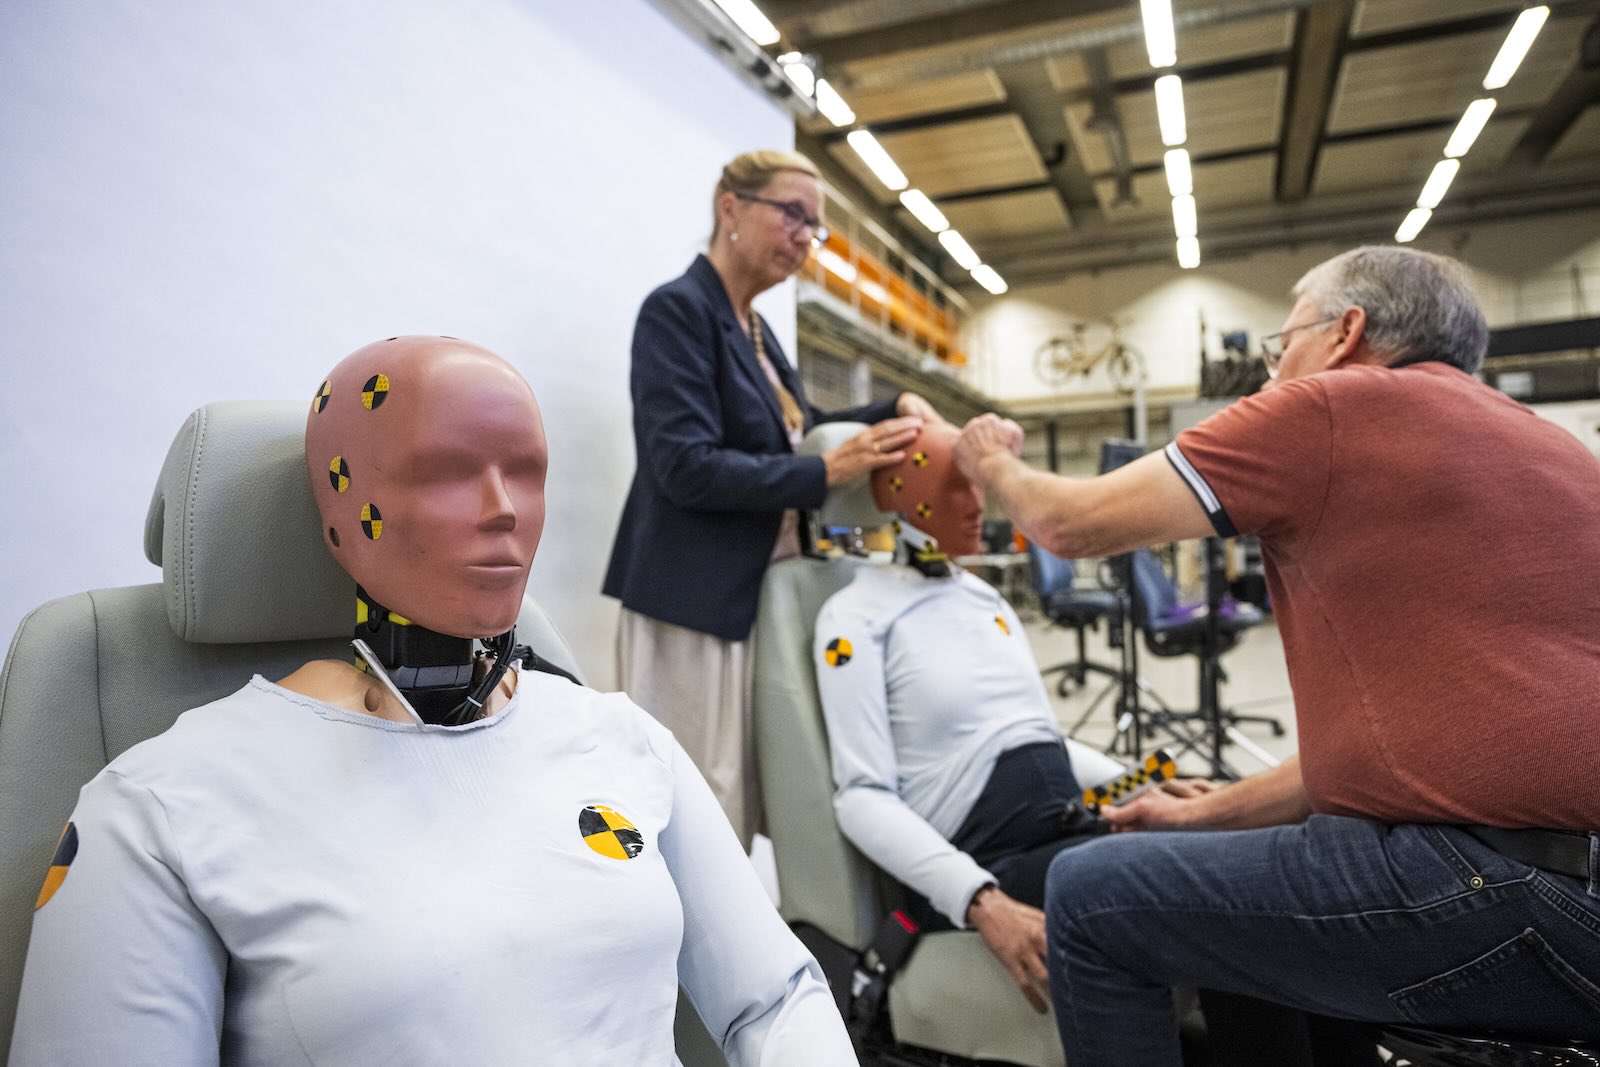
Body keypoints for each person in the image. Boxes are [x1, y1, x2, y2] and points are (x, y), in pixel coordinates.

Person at [11, 337, 857, 1066]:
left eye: (525, 473)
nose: (503, 511)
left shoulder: (620, 739)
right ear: (340, 508)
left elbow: (777, 996)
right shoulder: (164, 805)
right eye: (446, 473)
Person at [953, 246, 1600, 1065]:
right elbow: (1394, 762)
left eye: (1280, 345)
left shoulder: (1332, 404)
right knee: (1236, 908)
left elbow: (1070, 525)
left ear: (1344, 332)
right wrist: (1201, 814)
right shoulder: (1554, 448)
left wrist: (989, 459)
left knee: (1090, 896)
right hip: (1566, 892)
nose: (1273, 371)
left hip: (1504, 897)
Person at [602, 148, 938, 849]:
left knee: (743, 797)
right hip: (693, 603)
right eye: (793, 214)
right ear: (730, 207)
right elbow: (685, 467)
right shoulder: (678, 311)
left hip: (751, 594)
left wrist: (889, 410)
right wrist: (826, 473)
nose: (805, 237)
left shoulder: (755, 328)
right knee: (696, 807)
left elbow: (801, 430)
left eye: (815, 225)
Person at [813, 421, 1118, 1015]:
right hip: (988, 860)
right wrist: (979, 897)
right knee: (1179, 881)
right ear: (900, 495)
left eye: (980, 484)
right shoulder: (853, 619)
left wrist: (1146, 785)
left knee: (1229, 846)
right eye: (958, 486)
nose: (979, 503)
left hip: (1066, 827)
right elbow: (862, 797)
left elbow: (1040, 739)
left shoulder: (985, 599)